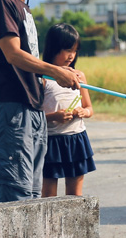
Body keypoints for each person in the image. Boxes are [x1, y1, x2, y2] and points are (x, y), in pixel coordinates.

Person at [0, 0, 84, 203]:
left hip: (33, 107)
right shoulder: (3, 4)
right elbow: (13, 54)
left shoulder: (24, 8)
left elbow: (30, 60)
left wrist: (58, 74)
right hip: (12, 108)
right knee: (13, 190)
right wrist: (56, 72)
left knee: (31, 193)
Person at [40, 23, 95, 197]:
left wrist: (83, 112)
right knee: (49, 196)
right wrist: (54, 116)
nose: (72, 55)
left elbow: (89, 108)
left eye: (75, 50)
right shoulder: (42, 78)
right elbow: (34, 117)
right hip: (52, 141)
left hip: (77, 139)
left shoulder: (79, 76)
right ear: (53, 48)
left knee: (75, 196)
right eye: (68, 50)